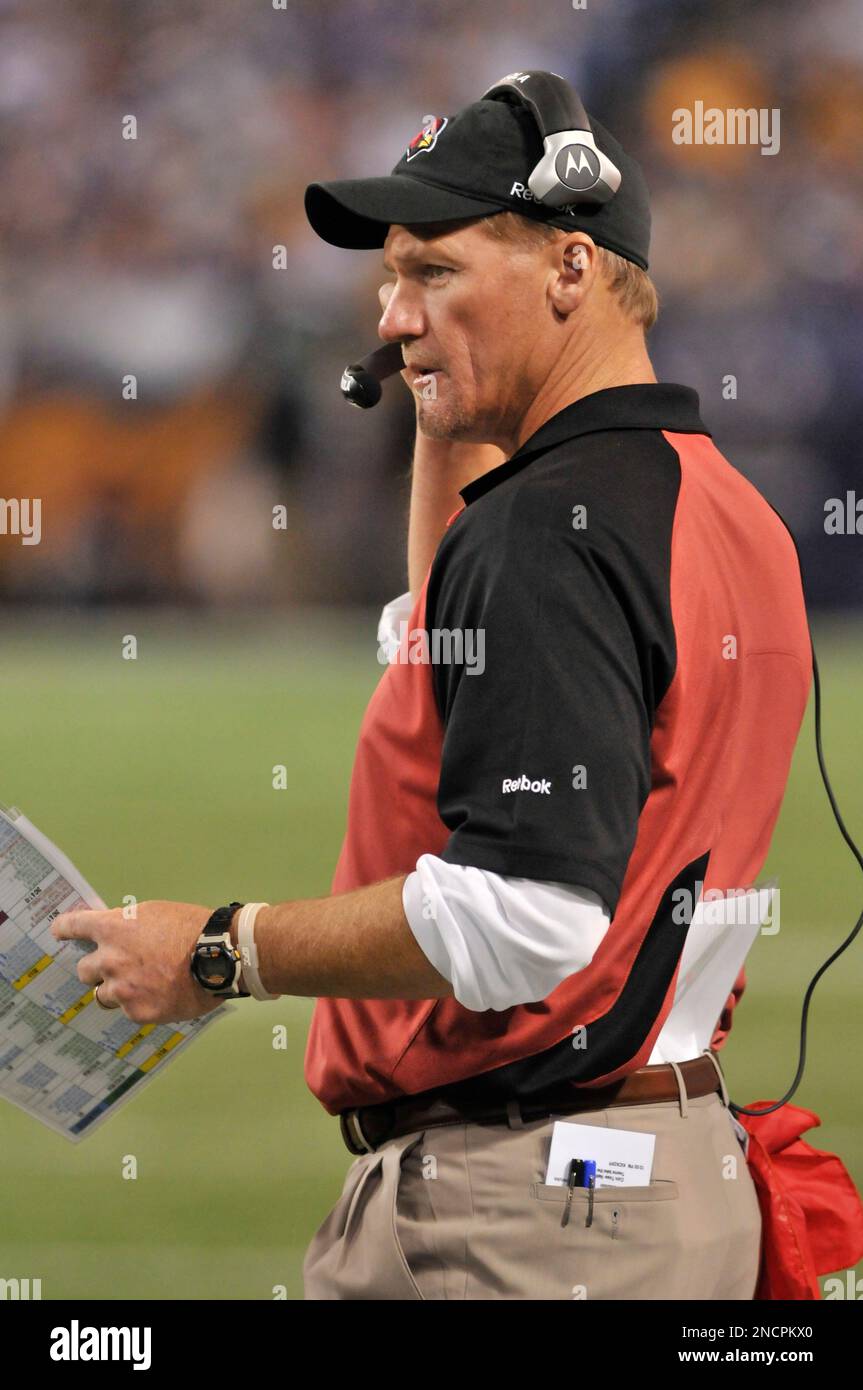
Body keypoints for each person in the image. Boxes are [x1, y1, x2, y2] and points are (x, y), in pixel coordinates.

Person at [52, 77, 813, 1300]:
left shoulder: (544, 535)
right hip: (643, 1174)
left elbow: (526, 917)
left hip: (524, 1208)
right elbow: (442, 666)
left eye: (434, 272)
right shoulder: (715, 505)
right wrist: (449, 400)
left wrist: (214, 949)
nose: (392, 316)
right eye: (387, 280)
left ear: (570, 266)